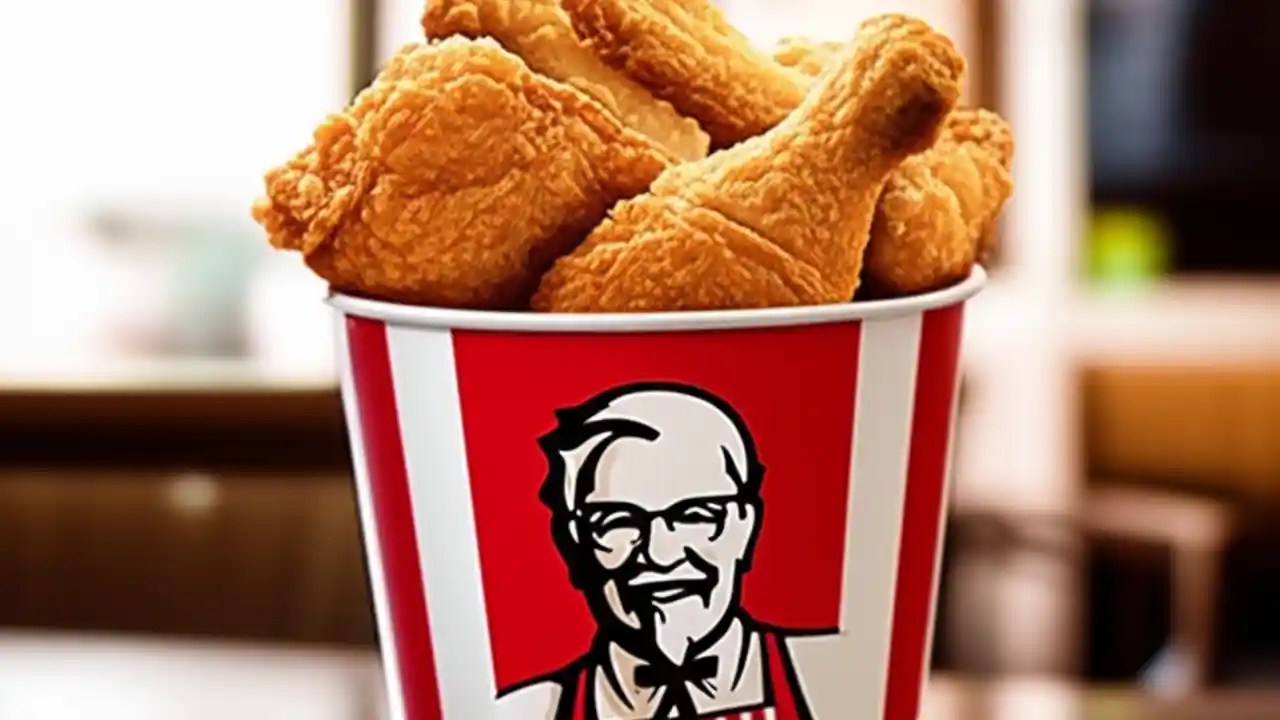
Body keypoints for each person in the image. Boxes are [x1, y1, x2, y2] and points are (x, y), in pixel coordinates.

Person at [500, 382, 813, 719]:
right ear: (576, 543)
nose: (661, 554)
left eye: (695, 516)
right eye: (618, 521)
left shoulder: (825, 674)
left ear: (745, 527)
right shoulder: (529, 710)